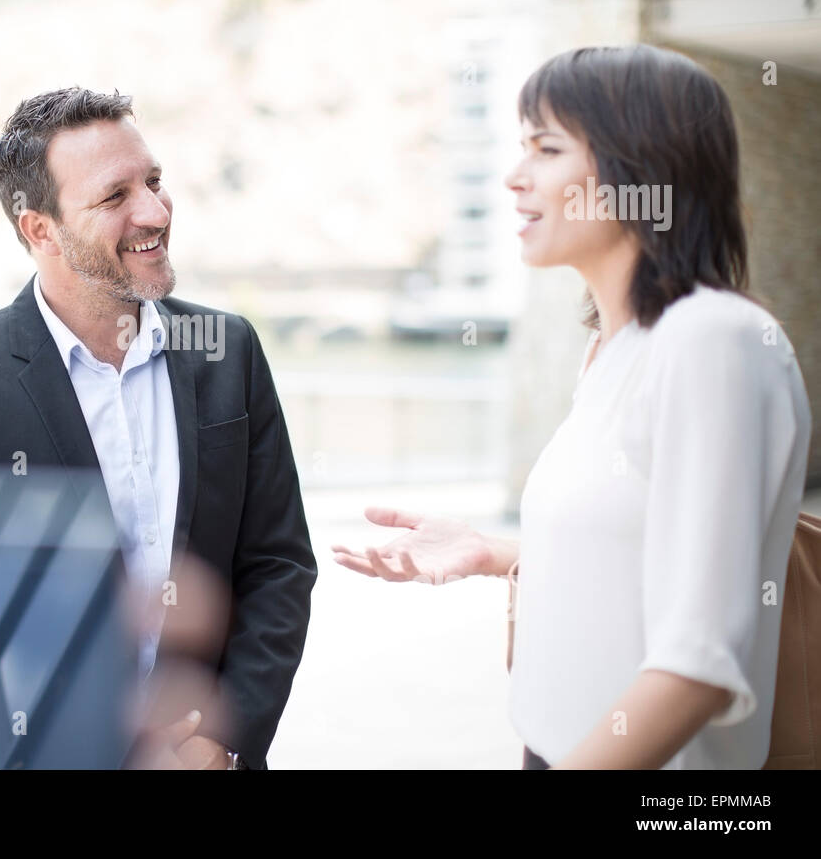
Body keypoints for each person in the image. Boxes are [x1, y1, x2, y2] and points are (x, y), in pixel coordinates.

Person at [333, 45, 811, 769]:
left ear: (640, 168)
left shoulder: (715, 341)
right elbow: (648, 553)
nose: (514, 176)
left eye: (546, 149)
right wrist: (496, 555)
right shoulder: (614, 351)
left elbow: (700, 665)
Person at [0, 87, 317, 770]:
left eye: (154, 181)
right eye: (115, 197)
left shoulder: (226, 350)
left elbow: (278, 567)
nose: (154, 211)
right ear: (41, 231)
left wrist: (219, 742)